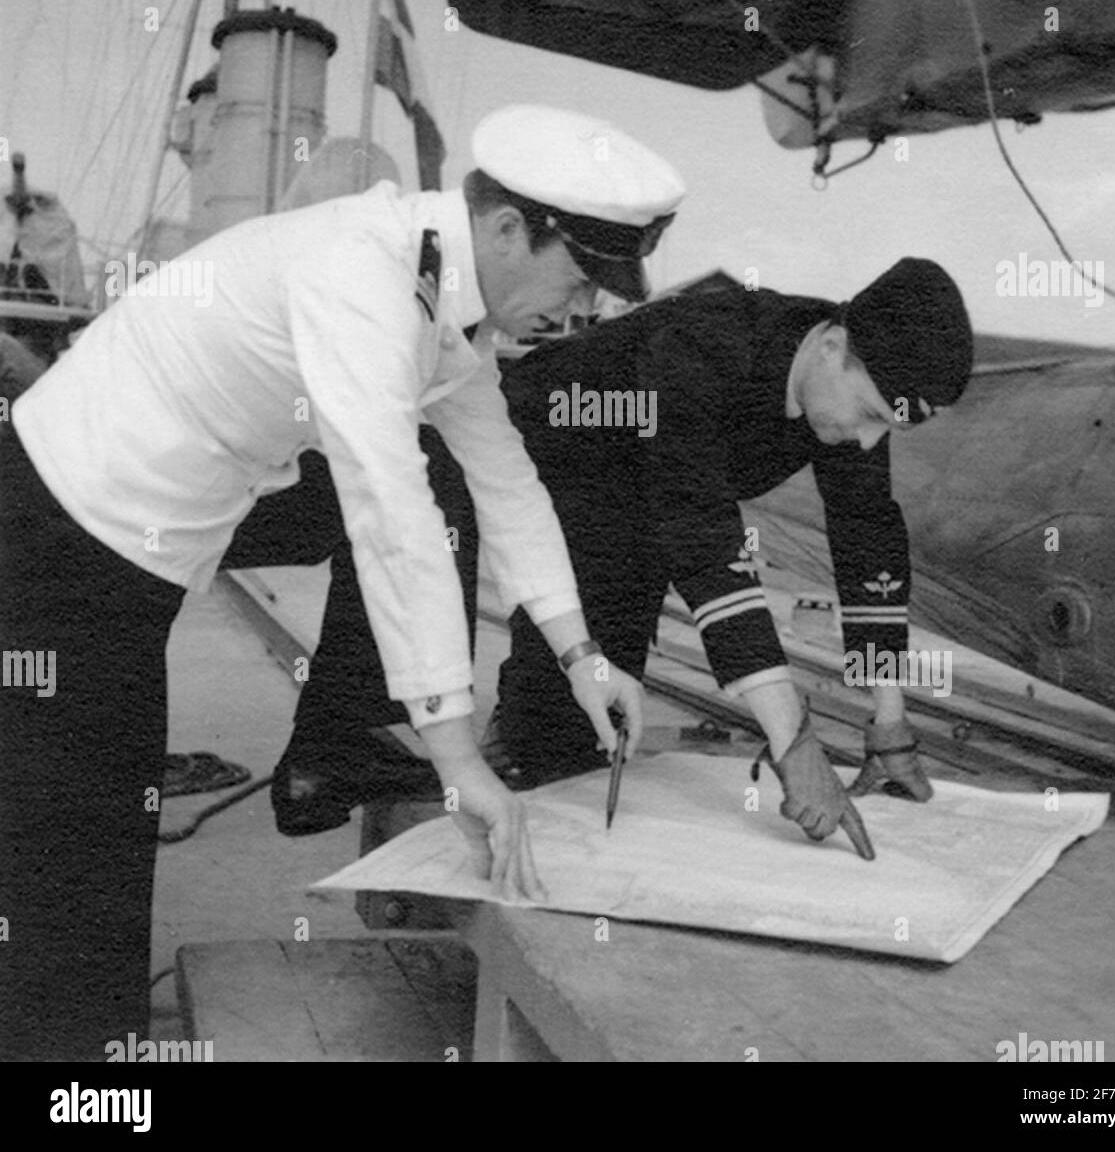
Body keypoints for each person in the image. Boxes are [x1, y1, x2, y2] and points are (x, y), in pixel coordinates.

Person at [0, 102, 684, 1062]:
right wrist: (458, 759)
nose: (586, 310)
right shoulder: (361, 272)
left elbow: (509, 482)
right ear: (504, 231)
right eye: (581, 275)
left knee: (99, 844)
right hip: (60, 536)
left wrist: (583, 658)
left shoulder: (437, 299)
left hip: (131, 551)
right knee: (72, 860)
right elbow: (386, 506)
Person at [271, 258, 974, 860]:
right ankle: (327, 755)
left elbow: (868, 544)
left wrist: (888, 720)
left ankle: (527, 743)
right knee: (426, 537)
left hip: (627, 497)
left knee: (573, 741)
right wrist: (793, 741)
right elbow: (706, 541)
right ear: (832, 346)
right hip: (535, 435)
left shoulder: (846, 399)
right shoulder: (704, 348)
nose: (864, 441)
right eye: (872, 412)